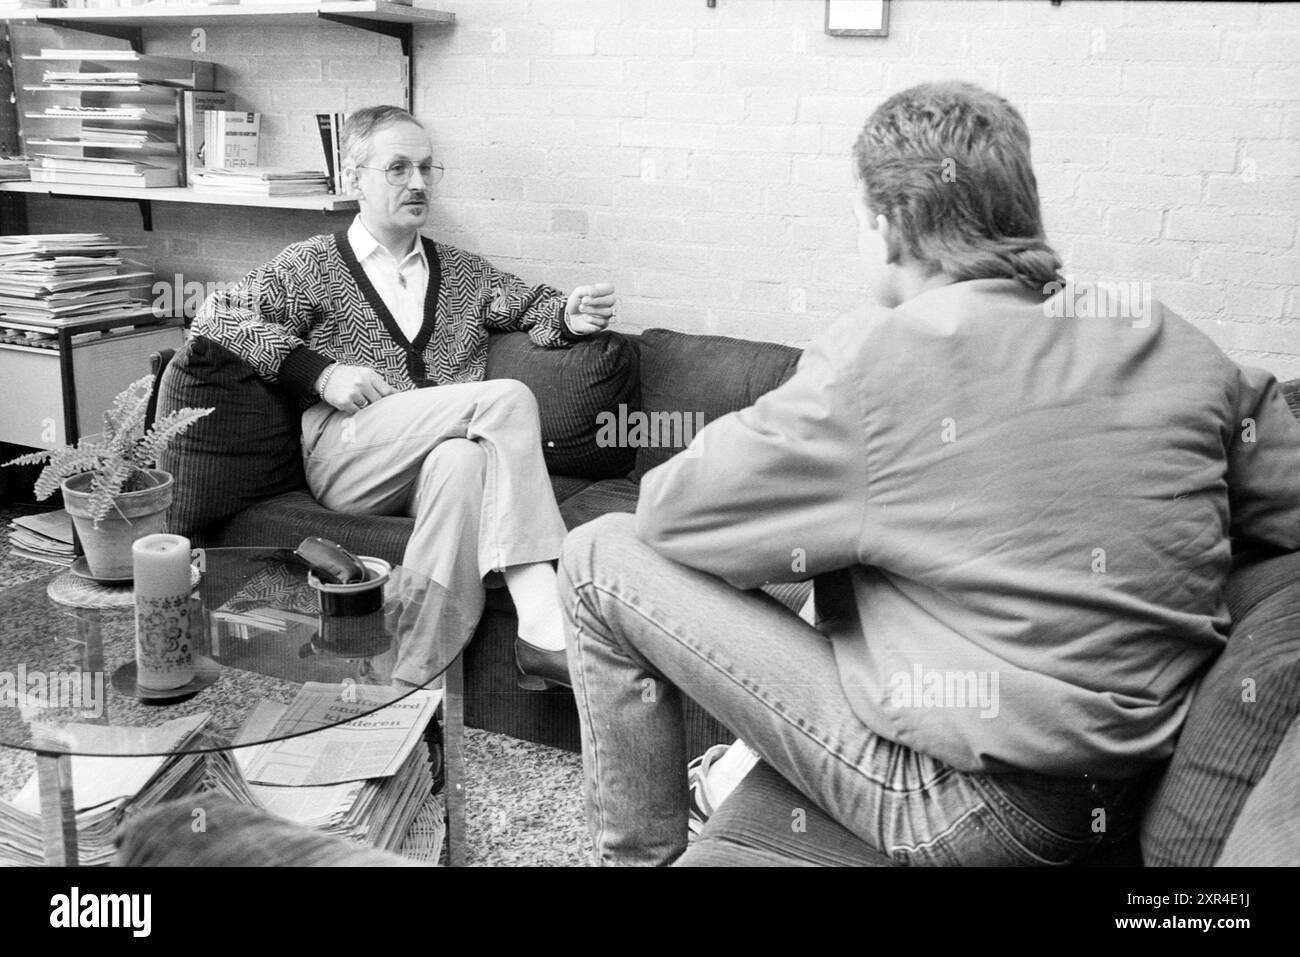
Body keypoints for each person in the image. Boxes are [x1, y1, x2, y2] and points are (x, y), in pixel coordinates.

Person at [558, 82, 1300, 866]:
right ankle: (729, 774)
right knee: (841, 563)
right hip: (1120, 788)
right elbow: (1285, 505)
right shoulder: (1169, 337)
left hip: (969, 810)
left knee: (599, 557)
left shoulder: (881, 357)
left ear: (887, 229)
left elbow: (669, 514)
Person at [193, 104, 615, 689]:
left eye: (425, 168)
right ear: (355, 178)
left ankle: (411, 686)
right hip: (349, 454)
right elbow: (215, 317)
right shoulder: (311, 265)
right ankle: (542, 609)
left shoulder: (462, 272)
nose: (417, 183)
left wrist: (569, 316)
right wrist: (319, 373)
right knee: (507, 398)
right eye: (397, 168)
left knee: (465, 462)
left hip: (428, 467)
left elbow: (533, 307)